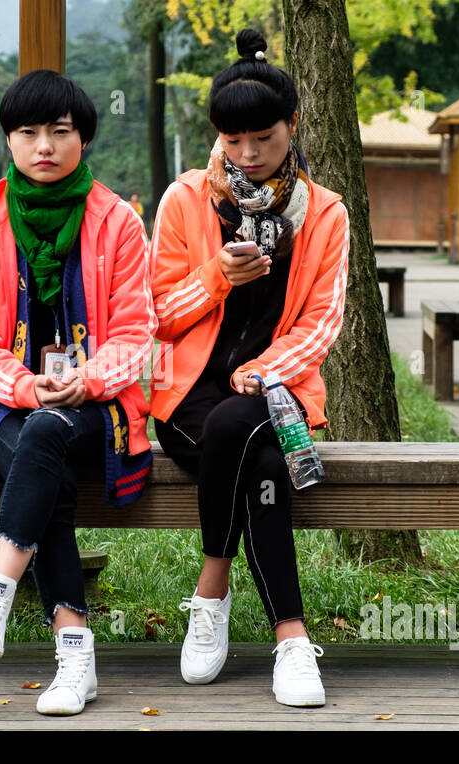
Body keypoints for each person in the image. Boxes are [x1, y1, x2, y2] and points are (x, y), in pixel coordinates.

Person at [0, 69, 155, 716]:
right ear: (9, 142)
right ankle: (75, 656)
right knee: (42, 444)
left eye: (60, 131)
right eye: (28, 133)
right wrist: (28, 385)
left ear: (83, 138)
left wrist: (85, 380)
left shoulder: (118, 222)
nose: (44, 146)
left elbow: (138, 330)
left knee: (50, 433)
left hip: (98, 404)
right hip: (2, 404)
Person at [148, 29, 350, 707]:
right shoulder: (185, 200)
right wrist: (214, 277)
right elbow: (157, 315)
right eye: (232, 141)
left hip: (275, 392)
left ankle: (212, 590)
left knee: (248, 429)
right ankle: (290, 639)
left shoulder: (324, 214)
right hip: (190, 397)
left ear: (293, 125)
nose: (248, 154)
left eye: (262, 138)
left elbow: (322, 324)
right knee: (259, 463)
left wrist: (266, 368)